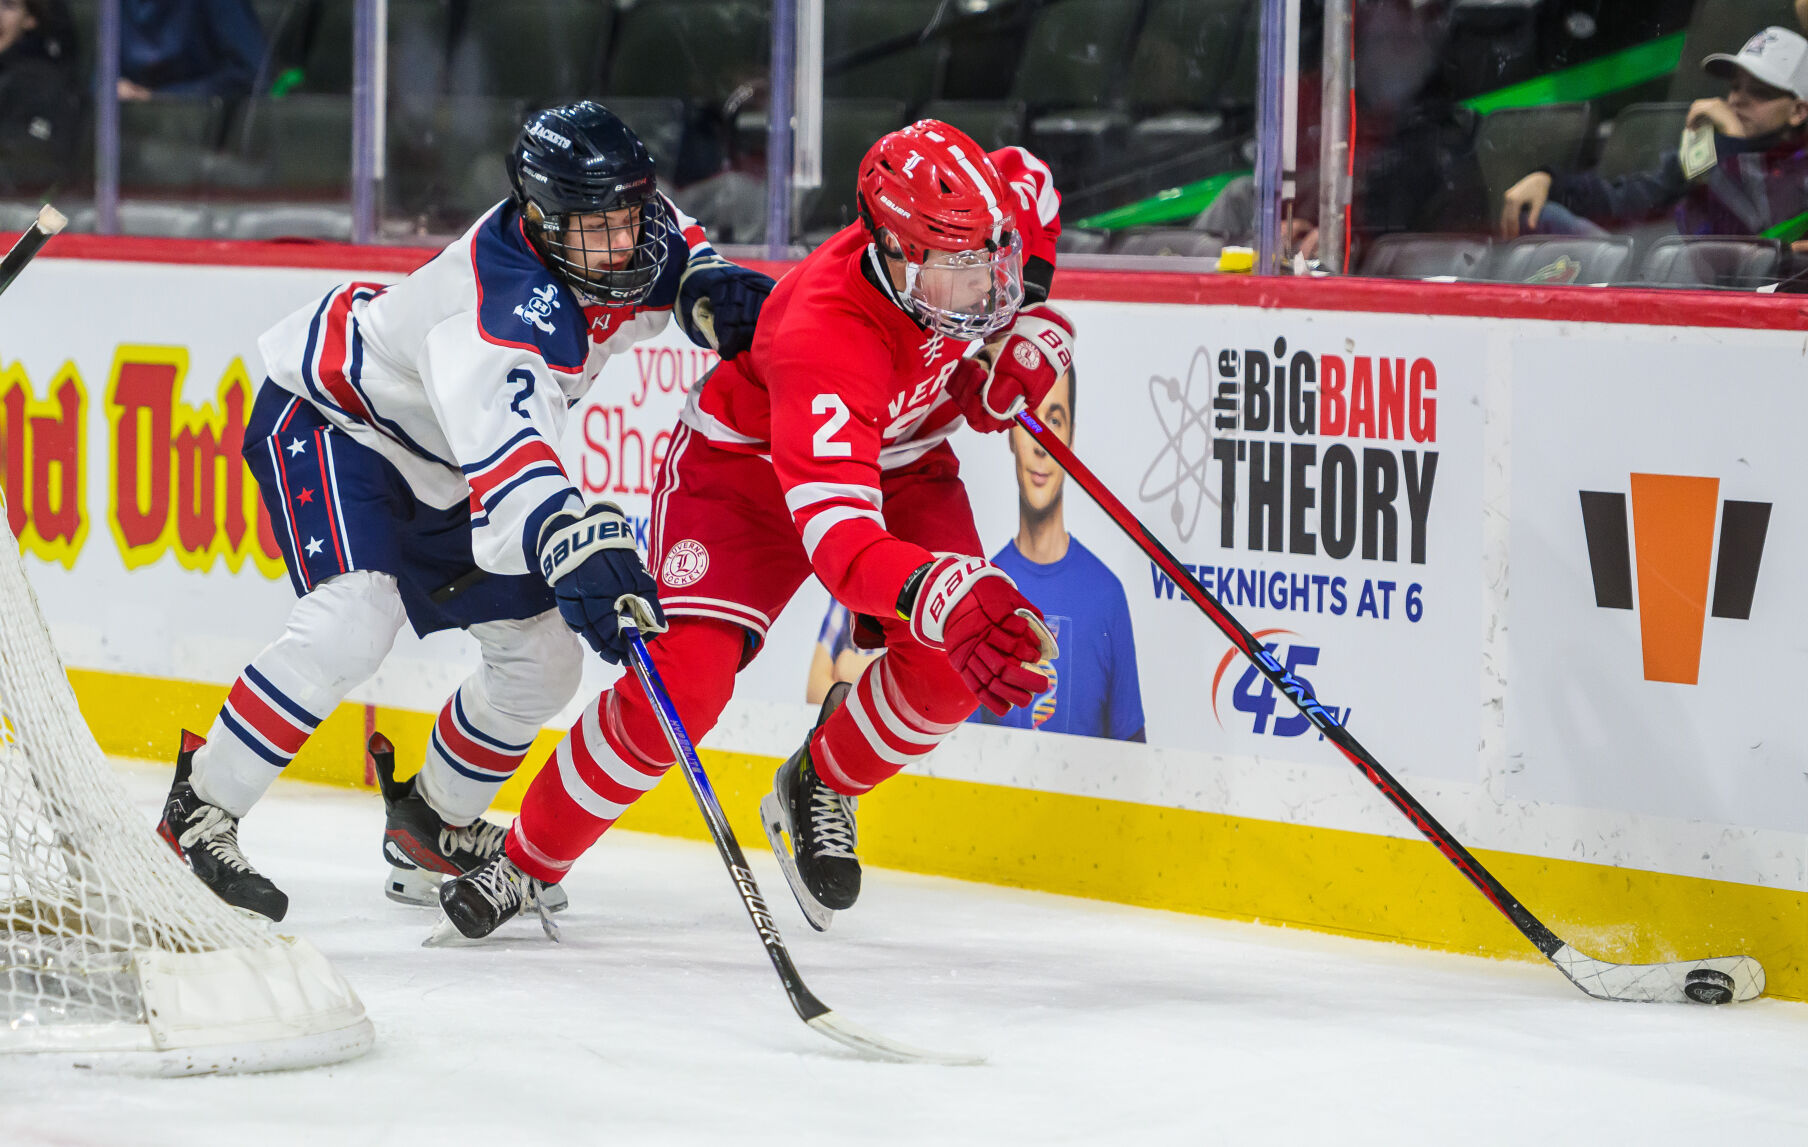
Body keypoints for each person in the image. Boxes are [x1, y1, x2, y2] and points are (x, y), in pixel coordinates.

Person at [436, 120, 1074, 940]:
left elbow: (1035, 182)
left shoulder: (972, 220)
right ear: (897, 253)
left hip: (904, 457)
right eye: (963, 271)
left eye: (995, 261)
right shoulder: (825, 335)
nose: (988, 288)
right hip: (747, 476)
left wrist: (1033, 321)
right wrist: (947, 590)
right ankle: (526, 859)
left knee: (955, 669)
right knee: (683, 688)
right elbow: (843, 549)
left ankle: (821, 782)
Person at [155, 101, 774, 922]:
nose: (624, 241)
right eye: (600, 226)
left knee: (544, 660)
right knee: (356, 618)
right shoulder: (496, 313)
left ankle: (431, 823)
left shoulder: (624, 230)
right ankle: (197, 810)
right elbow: (512, 457)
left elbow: (683, 249)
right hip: (345, 425)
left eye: (631, 214)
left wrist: (706, 292)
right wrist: (570, 537)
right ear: (542, 222)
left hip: (447, 463)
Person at [1500, 27, 1808, 248]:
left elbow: (1745, 247)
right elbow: (1632, 199)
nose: (1737, 99)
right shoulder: (1713, 149)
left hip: (1705, 305)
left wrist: (1734, 144)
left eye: (1759, 91)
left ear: (1797, 111)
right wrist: (1550, 181)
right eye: (1736, 86)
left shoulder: (1799, 175)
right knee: (1542, 216)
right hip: (1651, 277)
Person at [969, 364, 1144, 742]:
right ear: (1010, 435)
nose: (1040, 441)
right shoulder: (981, 592)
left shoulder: (1106, 595)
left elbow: (1133, 761)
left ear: (1071, 440)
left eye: (1055, 420)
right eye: (1028, 419)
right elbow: (961, 755)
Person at [0, 0, 83, 193]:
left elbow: (39, 164)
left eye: (8, 5)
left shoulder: (45, 84)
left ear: (30, 19)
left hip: (22, 210)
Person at [117, 0, 266, 102]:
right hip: (134, 131)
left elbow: (253, 76)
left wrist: (160, 97)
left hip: (210, 134)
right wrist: (115, 89)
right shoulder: (118, 7)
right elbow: (101, 78)